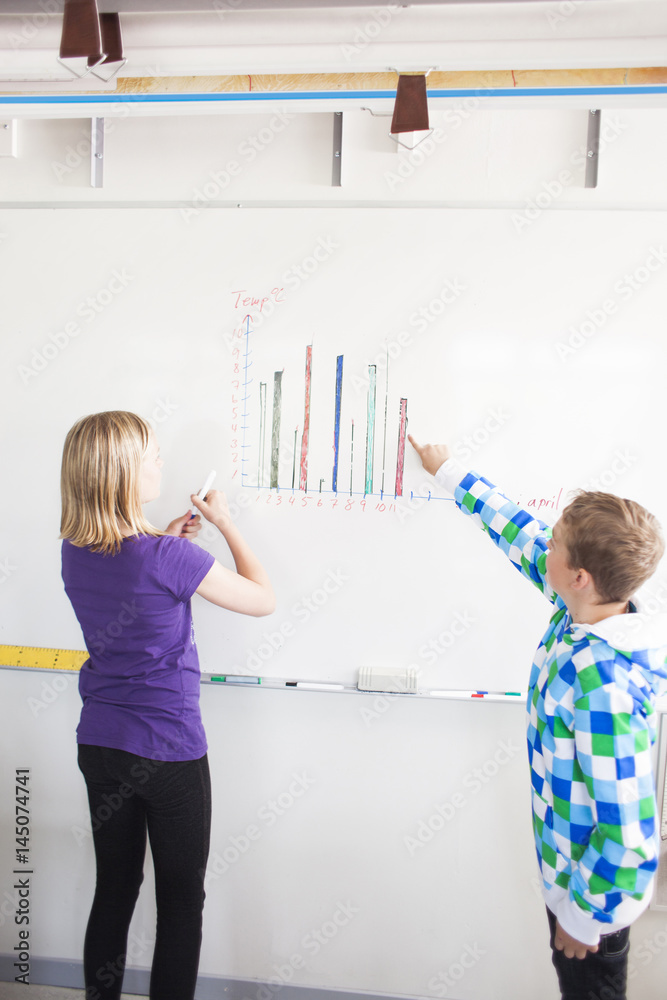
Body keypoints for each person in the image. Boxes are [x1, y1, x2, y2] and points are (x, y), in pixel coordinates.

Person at [409, 435, 667, 1000]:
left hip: (592, 903)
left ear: (580, 576)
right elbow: (519, 532)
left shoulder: (605, 685)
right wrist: (447, 471)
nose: (543, 544)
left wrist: (583, 919)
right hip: (568, 877)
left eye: (555, 544)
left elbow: (629, 837)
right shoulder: (583, 611)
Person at [60, 410, 275, 1000]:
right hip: (168, 752)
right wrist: (224, 523)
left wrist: (166, 539)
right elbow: (263, 598)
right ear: (122, 472)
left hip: (101, 743)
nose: (160, 462)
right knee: (181, 905)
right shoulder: (166, 558)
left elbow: (132, 570)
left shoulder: (75, 549)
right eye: (151, 455)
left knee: (114, 890)